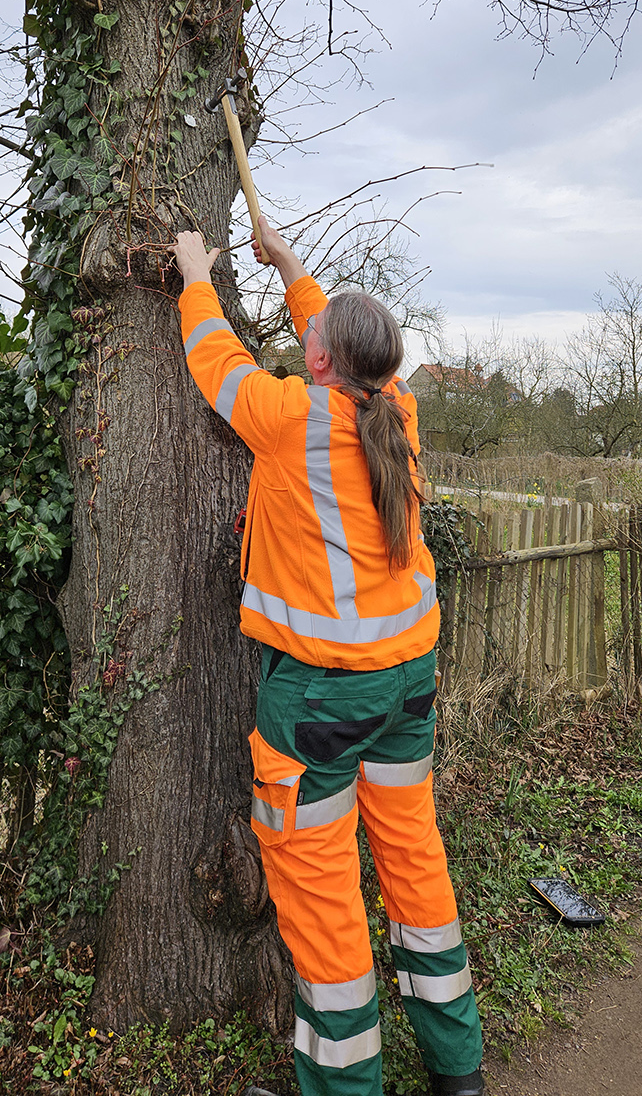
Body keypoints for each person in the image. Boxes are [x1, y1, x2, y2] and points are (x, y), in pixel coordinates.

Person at [173, 217, 485, 1096]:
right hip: (406, 685)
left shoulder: (290, 416)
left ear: (317, 361)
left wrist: (198, 275)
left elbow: (217, 366)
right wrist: (291, 265)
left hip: (318, 701)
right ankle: (459, 1072)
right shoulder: (399, 412)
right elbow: (337, 338)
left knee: (324, 908)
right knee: (414, 863)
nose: (303, 333)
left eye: (310, 333)